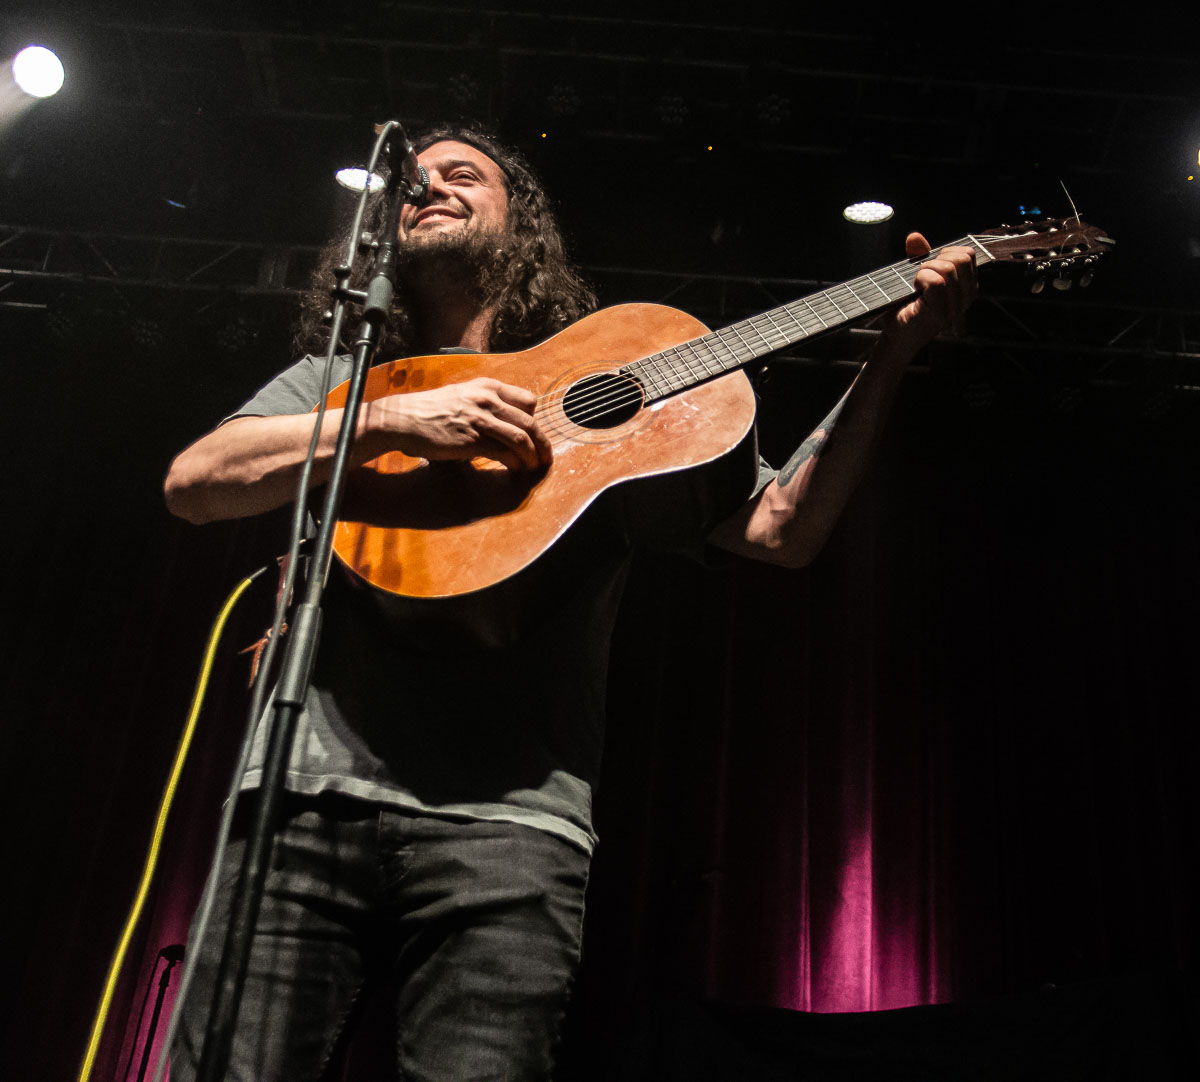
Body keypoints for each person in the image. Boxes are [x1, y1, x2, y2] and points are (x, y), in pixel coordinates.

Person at [163, 125, 977, 1080]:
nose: (430, 186)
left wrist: (892, 353)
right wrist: (393, 418)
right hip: (303, 802)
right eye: (413, 181)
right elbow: (194, 483)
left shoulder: (611, 401)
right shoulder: (343, 379)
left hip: (513, 833)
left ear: (520, 230)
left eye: (464, 174)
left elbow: (782, 530)